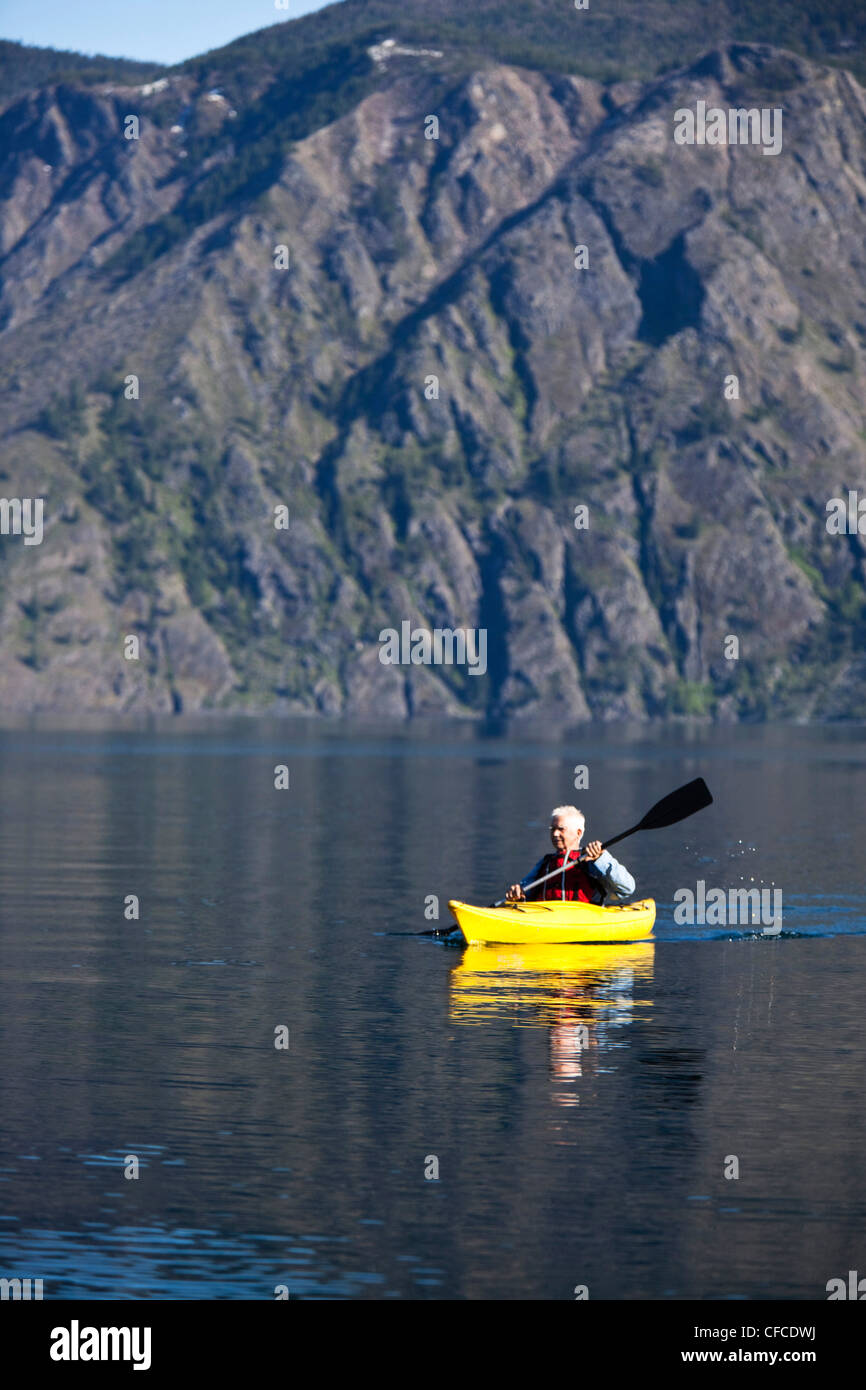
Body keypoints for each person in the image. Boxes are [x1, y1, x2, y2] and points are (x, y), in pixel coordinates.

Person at [507, 805, 635, 903]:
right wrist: (518, 893)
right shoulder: (546, 862)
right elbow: (525, 890)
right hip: (544, 917)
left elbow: (627, 888)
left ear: (578, 833)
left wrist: (601, 858)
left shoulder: (591, 859)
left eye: (561, 829)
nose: (555, 834)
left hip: (582, 921)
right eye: (552, 829)